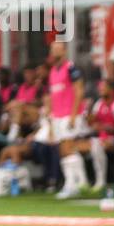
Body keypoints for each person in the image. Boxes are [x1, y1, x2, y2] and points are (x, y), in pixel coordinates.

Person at [46, 39, 88, 198]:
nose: (54, 52)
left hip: (70, 115)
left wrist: (73, 115)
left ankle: (73, 184)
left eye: (58, 49)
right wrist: (51, 119)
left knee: (67, 148)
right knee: (62, 151)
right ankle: (76, 182)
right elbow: (52, 96)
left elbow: (79, 91)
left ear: (64, 51)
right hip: (57, 116)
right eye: (52, 49)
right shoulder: (52, 72)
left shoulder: (71, 68)